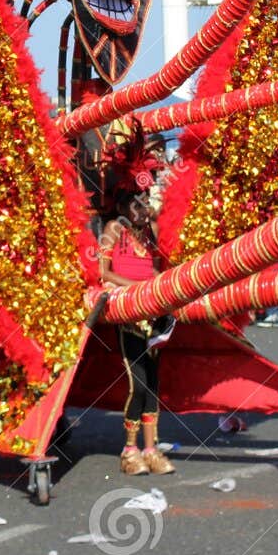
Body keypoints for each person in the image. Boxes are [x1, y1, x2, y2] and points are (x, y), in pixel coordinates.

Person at [97, 191, 175, 477]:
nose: (142, 210)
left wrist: (161, 288)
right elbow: (103, 272)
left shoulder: (151, 231)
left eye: (145, 204)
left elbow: (156, 269)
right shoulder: (114, 229)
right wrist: (135, 289)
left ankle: (151, 450)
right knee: (138, 383)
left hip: (153, 312)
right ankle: (129, 451)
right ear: (121, 206)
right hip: (128, 312)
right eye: (135, 204)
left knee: (153, 384)